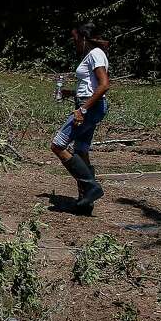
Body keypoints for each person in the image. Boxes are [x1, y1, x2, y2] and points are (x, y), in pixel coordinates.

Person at [51, 22, 110, 213]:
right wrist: (71, 93)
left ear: (83, 38)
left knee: (58, 145)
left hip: (89, 108)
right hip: (88, 104)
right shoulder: (94, 54)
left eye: (75, 38)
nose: (73, 42)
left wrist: (82, 110)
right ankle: (85, 201)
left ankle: (91, 187)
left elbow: (103, 85)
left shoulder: (95, 54)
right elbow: (91, 86)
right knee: (81, 150)